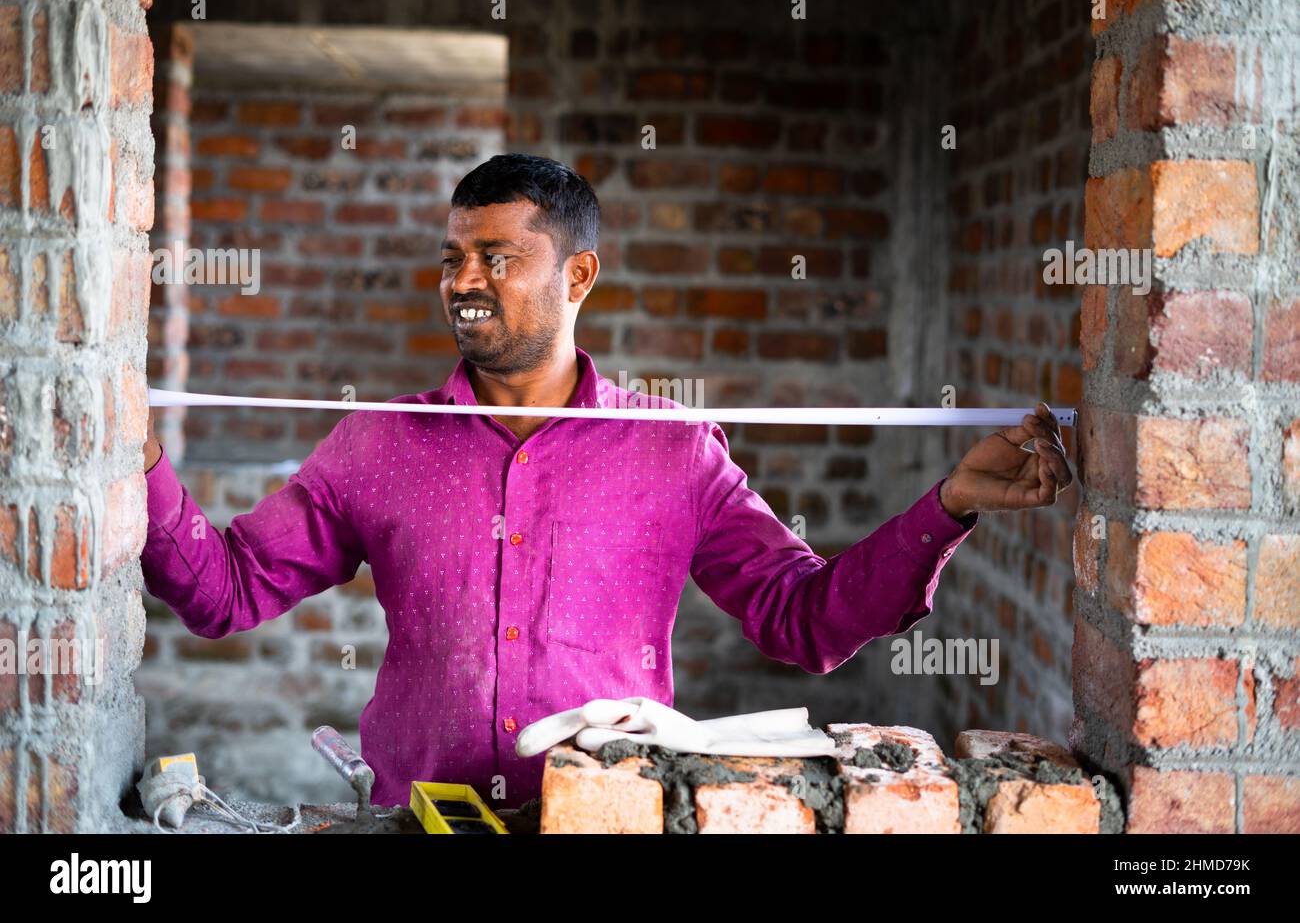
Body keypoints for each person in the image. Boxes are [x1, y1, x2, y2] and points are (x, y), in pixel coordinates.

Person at [141, 153, 1074, 807]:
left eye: (496, 258)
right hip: (413, 819)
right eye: (453, 258)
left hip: (611, 817)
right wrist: (139, 459)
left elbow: (805, 621)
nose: (464, 281)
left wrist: (949, 507)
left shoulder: (672, 451)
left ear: (578, 273)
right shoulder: (381, 441)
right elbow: (223, 593)